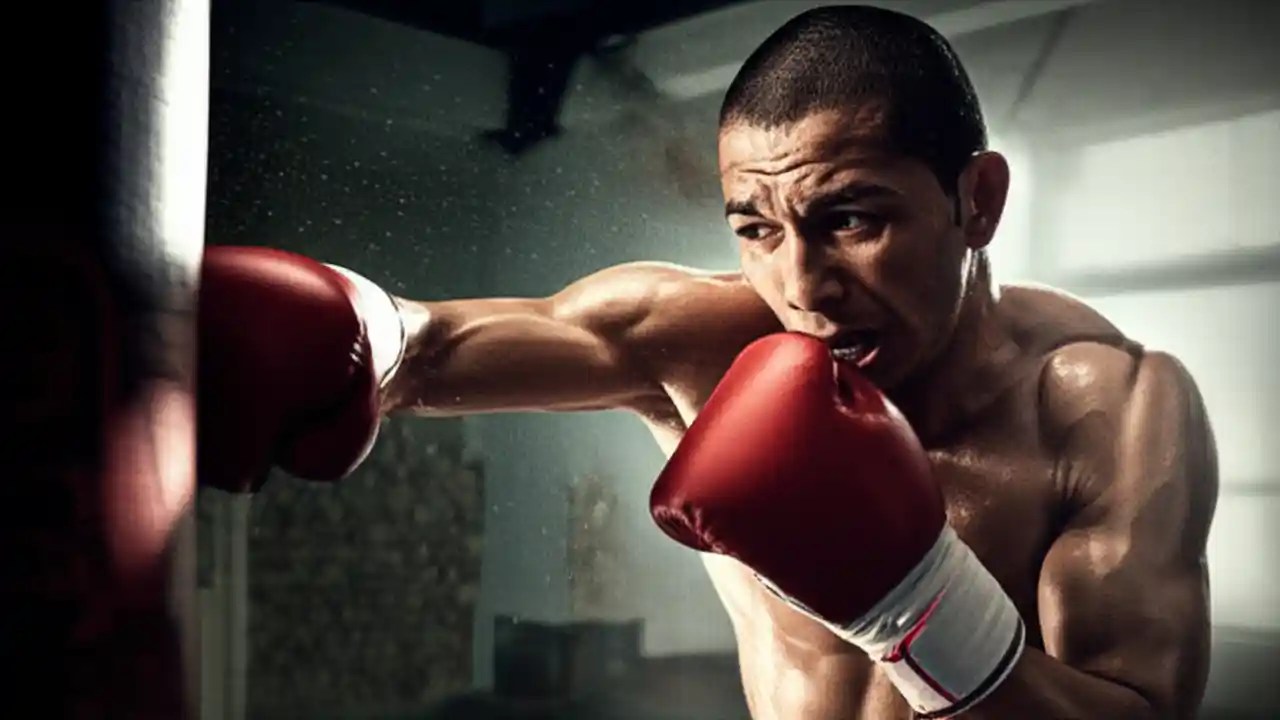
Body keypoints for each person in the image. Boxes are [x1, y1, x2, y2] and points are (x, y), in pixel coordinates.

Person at [199, 5, 1218, 719]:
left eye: (850, 219)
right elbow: (432, 350)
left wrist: (916, 606)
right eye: (756, 228)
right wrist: (352, 330)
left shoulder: (1111, 411)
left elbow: (1138, 710)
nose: (801, 286)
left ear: (976, 201)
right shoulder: (704, 342)